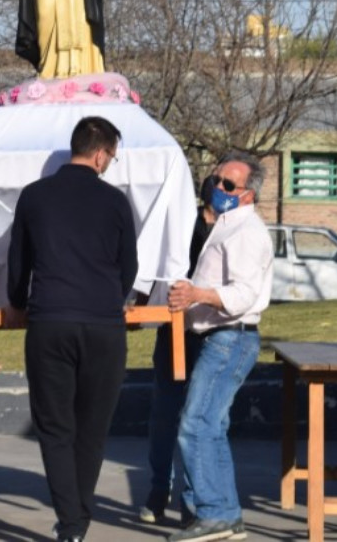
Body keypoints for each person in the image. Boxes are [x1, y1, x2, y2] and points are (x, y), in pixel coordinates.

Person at [7, 116, 138, 542]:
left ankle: (71, 523)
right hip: (103, 324)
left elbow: (18, 263)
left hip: (50, 321)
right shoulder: (116, 201)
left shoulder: (34, 196)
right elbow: (129, 267)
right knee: (93, 427)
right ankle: (77, 519)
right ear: (100, 153)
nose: (109, 164)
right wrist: (106, 300)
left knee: (55, 426)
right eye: (112, 157)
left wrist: (21, 304)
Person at [166, 152, 272, 542]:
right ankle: (224, 511)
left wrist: (196, 293)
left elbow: (243, 294)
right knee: (212, 426)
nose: (219, 189)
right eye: (216, 181)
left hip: (231, 336)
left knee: (196, 425)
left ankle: (215, 513)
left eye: (229, 185)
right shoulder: (227, 225)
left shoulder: (246, 231)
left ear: (248, 195)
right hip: (223, 336)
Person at [139, 172, 218, 526]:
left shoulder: (233, 230)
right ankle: (159, 490)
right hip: (176, 330)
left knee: (197, 418)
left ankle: (192, 501)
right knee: (165, 413)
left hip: (214, 331)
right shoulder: (185, 228)